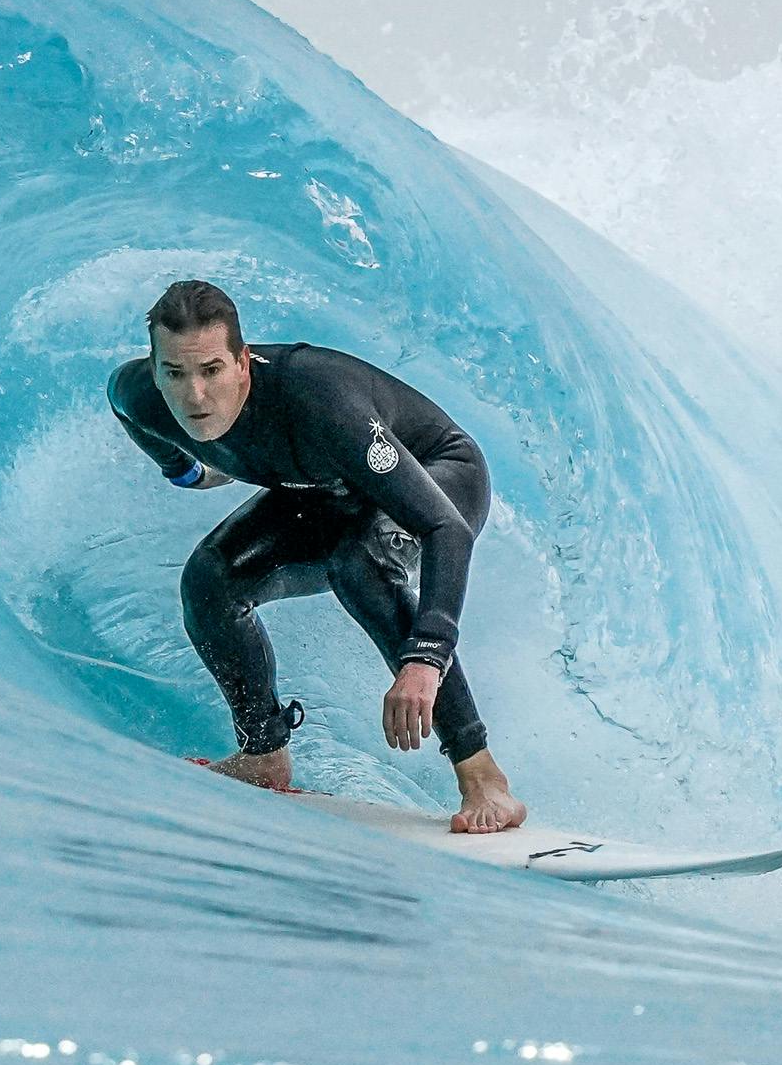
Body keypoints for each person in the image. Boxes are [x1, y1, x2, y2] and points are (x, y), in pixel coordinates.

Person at [108, 278, 530, 834]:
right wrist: (192, 471)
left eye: (212, 370)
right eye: (175, 374)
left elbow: (441, 526)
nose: (195, 397)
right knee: (212, 580)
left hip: (436, 475)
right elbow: (166, 444)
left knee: (360, 563)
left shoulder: (321, 401)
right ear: (154, 368)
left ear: (243, 362)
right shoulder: (137, 395)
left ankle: (482, 775)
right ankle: (263, 751)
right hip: (328, 492)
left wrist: (427, 657)